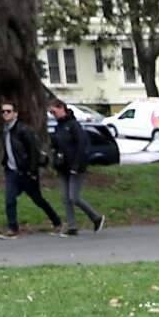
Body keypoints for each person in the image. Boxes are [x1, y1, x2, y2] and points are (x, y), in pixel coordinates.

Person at [0, 100, 62, 239]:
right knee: (9, 199)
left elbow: (33, 151)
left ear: (15, 113)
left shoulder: (23, 130)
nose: (5, 114)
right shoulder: (5, 129)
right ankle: (12, 228)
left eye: (8, 111)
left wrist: (33, 171)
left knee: (37, 199)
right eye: (3, 111)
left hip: (26, 171)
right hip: (12, 171)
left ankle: (56, 221)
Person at [47, 99, 106, 236]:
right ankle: (72, 226)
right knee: (65, 198)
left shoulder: (73, 125)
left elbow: (82, 145)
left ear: (61, 108)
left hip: (75, 165)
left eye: (54, 111)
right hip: (62, 166)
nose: (53, 115)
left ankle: (96, 217)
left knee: (74, 197)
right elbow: (57, 145)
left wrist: (77, 164)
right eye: (51, 113)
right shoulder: (59, 126)